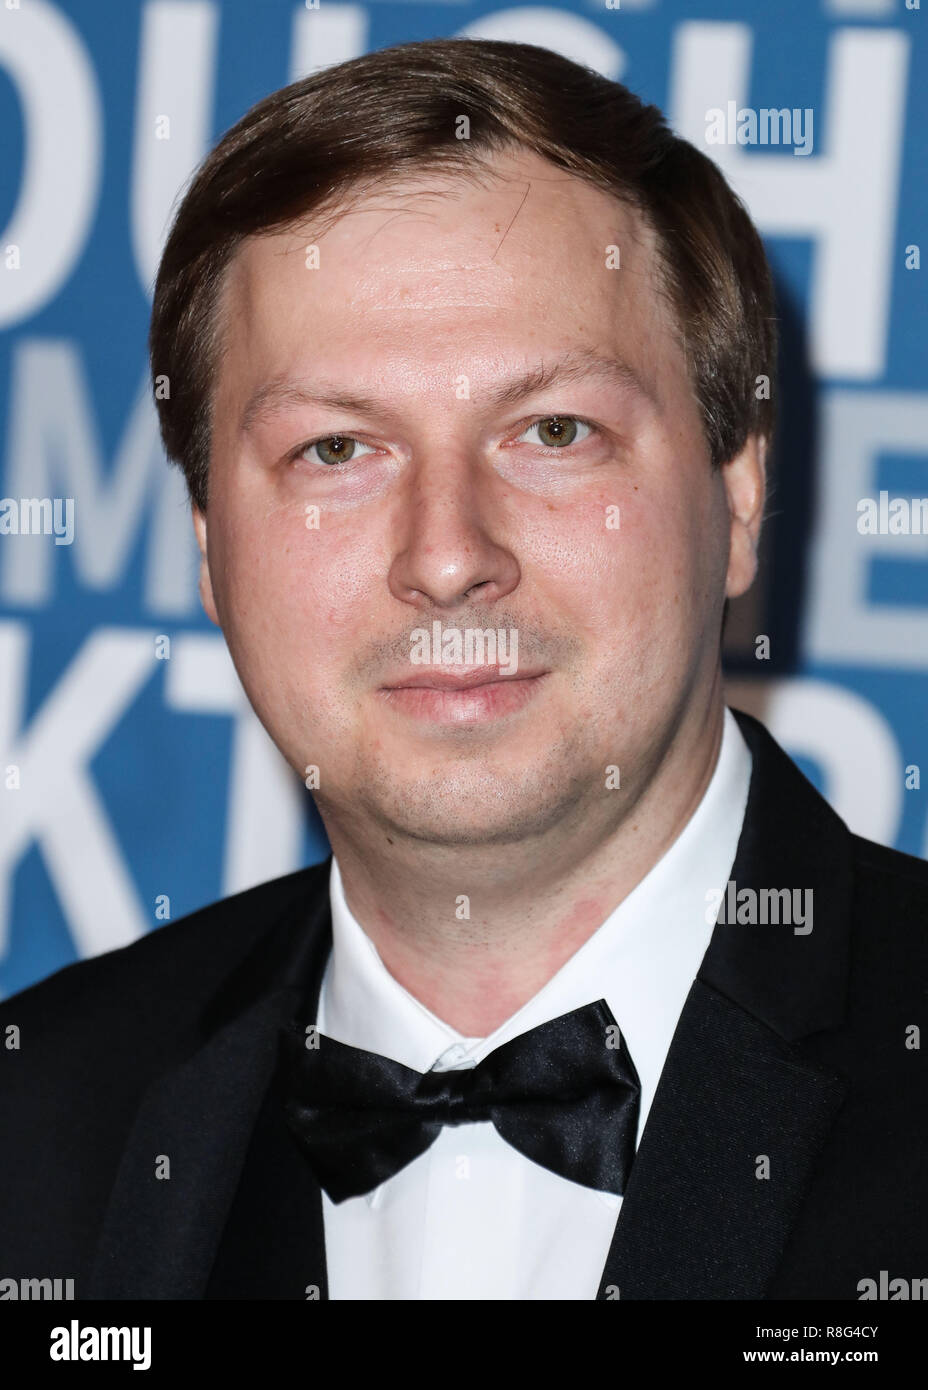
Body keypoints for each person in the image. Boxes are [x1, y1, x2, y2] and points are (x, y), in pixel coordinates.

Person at [1, 37, 925, 1303]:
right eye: (335, 449)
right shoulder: (36, 1124)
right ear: (210, 548)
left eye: (554, 432)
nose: (446, 557)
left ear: (739, 490)